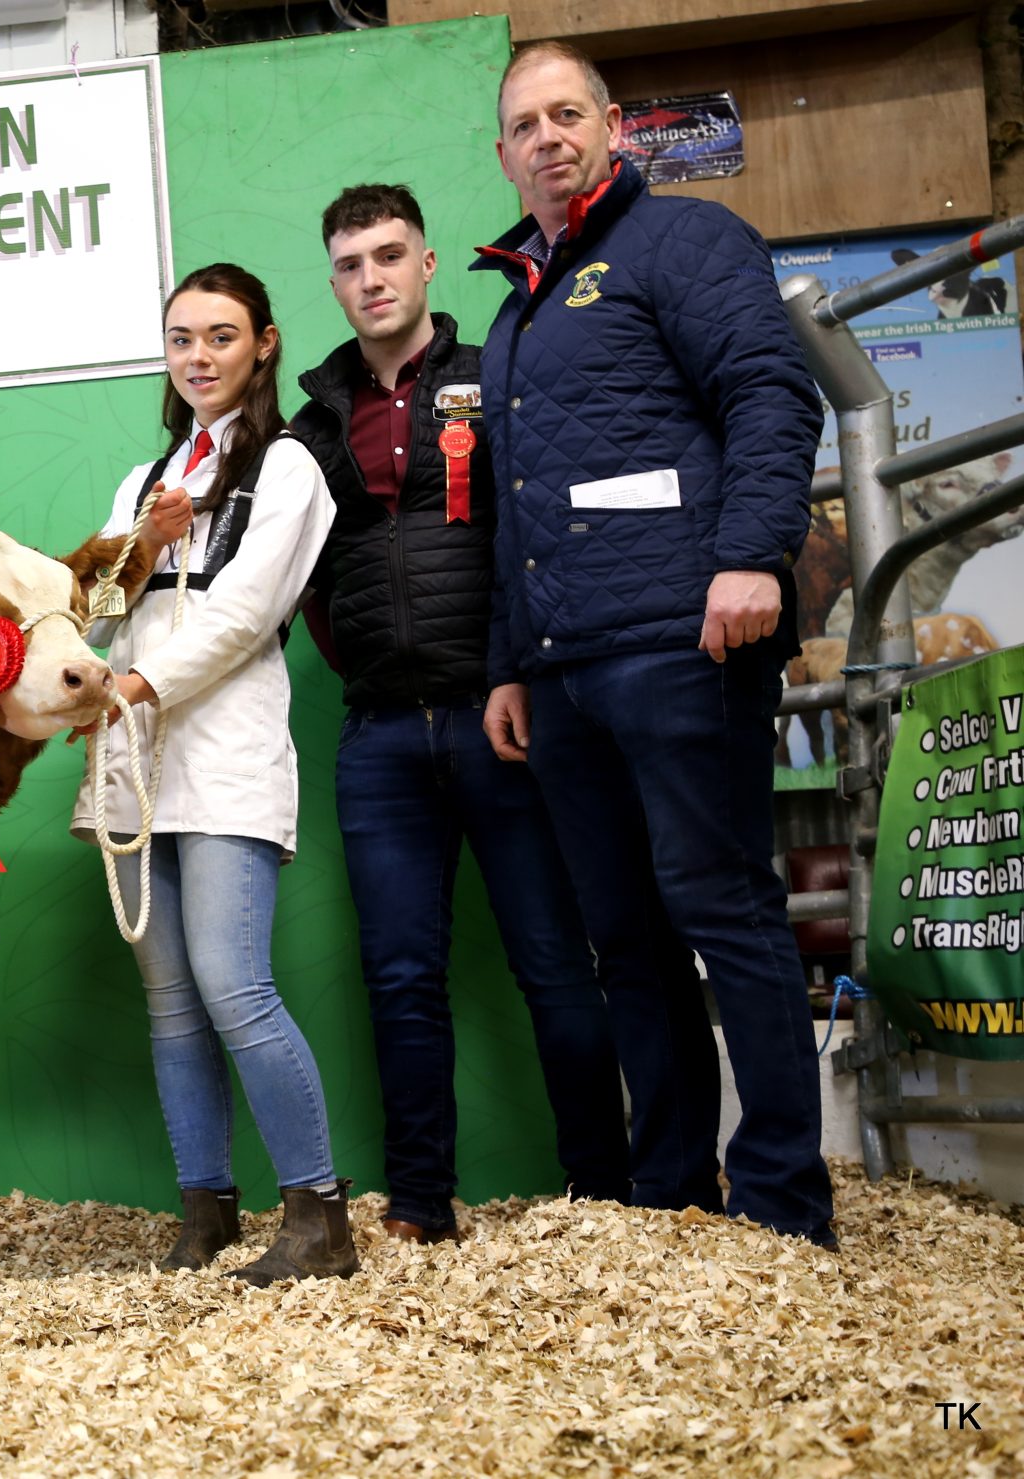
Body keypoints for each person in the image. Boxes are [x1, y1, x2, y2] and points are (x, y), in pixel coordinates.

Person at [474, 41, 837, 1246]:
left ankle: (784, 1201)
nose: (546, 138)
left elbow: (770, 396)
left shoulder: (683, 241)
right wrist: (508, 663)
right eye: (523, 124)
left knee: (719, 908)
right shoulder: (513, 303)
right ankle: (671, 1196)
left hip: (682, 641)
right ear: (502, 153)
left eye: (565, 114)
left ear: (612, 125)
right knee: (623, 940)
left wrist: (752, 556)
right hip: (566, 671)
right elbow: (515, 508)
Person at [289, 182, 630, 1244]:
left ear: (428, 264)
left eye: (388, 256)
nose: (370, 279)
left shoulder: (496, 376)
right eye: (349, 264)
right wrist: (375, 666)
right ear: (333, 281)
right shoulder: (313, 420)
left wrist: (506, 671)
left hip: (504, 718)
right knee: (398, 979)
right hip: (378, 738)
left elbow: (536, 531)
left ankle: (605, 1195)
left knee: (550, 961)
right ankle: (422, 1207)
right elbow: (301, 578)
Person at [69, 262, 355, 1286]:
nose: (199, 357)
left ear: (264, 345)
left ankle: (319, 1217)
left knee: (235, 987)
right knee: (171, 1006)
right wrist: (134, 551)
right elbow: (90, 614)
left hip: (224, 752)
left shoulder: (286, 468)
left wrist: (136, 684)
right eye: (182, 338)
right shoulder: (142, 483)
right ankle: (205, 1209)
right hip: (135, 764)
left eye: (221, 337)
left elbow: (242, 617)